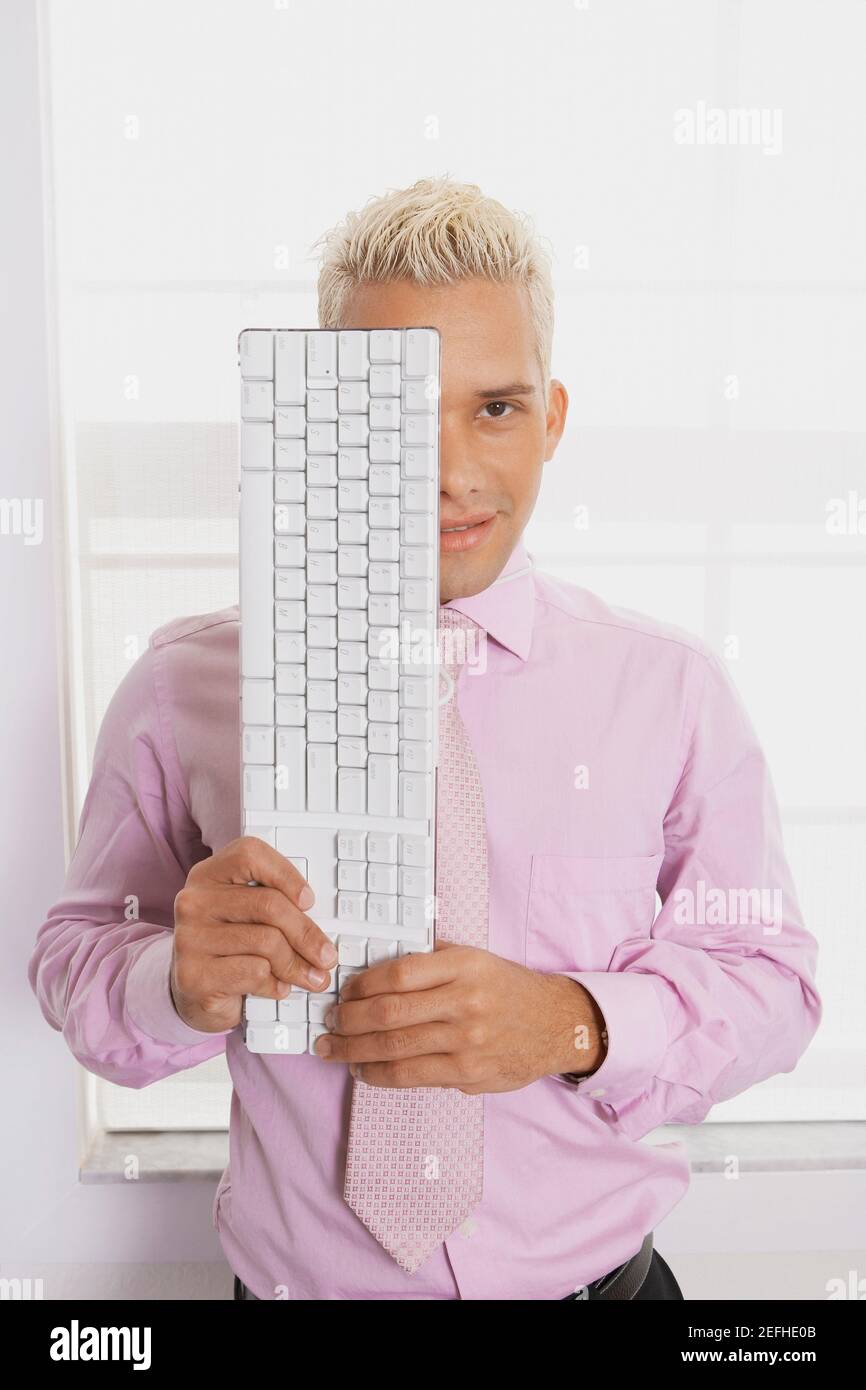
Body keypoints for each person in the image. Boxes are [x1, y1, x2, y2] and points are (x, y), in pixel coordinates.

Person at [29, 176, 821, 1301]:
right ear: (320, 418)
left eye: (491, 407)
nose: (447, 471)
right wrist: (175, 979)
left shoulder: (671, 691)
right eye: (392, 410)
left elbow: (775, 985)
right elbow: (72, 960)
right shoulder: (180, 686)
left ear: (549, 417)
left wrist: (579, 1022)